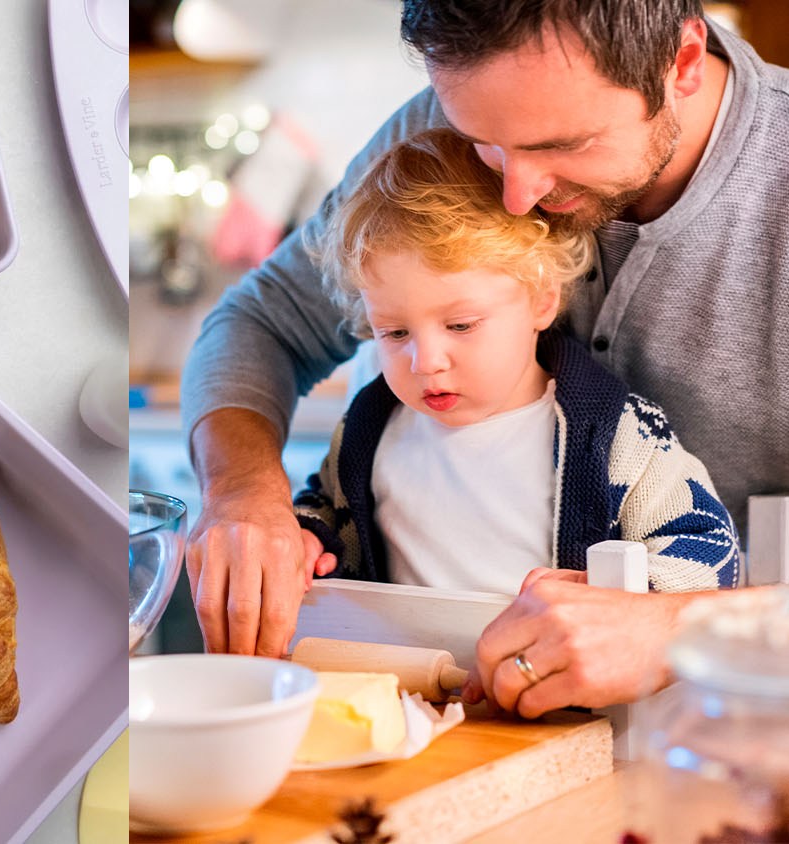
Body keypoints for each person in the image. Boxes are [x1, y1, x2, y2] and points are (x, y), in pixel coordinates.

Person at [180, 0, 789, 710]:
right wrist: (240, 492)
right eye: (485, 145)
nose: (516, 192)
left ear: (682, 63)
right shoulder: (436, 134)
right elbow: (259, 321)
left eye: (562, 144)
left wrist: (681, 624)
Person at [290, 128, 737, 600]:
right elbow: (326, 511)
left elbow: (710, 549)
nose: (426, 362)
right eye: (395, 333)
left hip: (559, 668)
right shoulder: (366, 428)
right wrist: (309, 539)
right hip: (406, 670)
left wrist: (622, 598)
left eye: (461, 325)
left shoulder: (620, 435)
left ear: (542, 301)